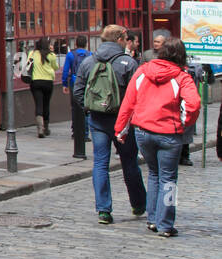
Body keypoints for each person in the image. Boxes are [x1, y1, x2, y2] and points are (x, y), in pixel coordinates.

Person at [114, 36, 199, 238]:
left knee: (153, 174)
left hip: (143, 132)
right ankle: (165, 224)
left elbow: (129, 102)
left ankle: (152, 219)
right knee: (168, 179)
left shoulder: (143, 70)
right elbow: (194, 104)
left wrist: (121, 129)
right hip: (169, 134)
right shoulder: (182, 76)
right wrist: (183, 123)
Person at [74, 24, 146, 225]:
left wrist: (90, 109)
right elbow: (138, 95)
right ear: (120, 40)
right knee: (129, 161)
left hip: (97, 120)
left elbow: (78, 92)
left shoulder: (89, 61)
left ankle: (104, 210)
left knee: (100, 163)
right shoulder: (128, 63)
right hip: (123, 122)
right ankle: (138, 203)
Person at [61, 35, 91, 158]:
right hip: (87, 83)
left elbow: (65, 70)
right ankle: (85, 133)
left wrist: (64, 83)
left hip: (74, 82)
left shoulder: (70, 55)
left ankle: (75, 132)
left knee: (75, 108)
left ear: (76, 44)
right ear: (86, 44)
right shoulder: (90, 54)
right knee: (86, 108)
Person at [25, 37, 60, 137]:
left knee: (38, 104)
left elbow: (28, 65)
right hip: (48, 82)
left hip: (36, 82)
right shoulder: (51, 55)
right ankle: (46, 127)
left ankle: (40, 128)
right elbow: (56, 67)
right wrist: (52, 53)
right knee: (46, 104)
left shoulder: (32, 54)